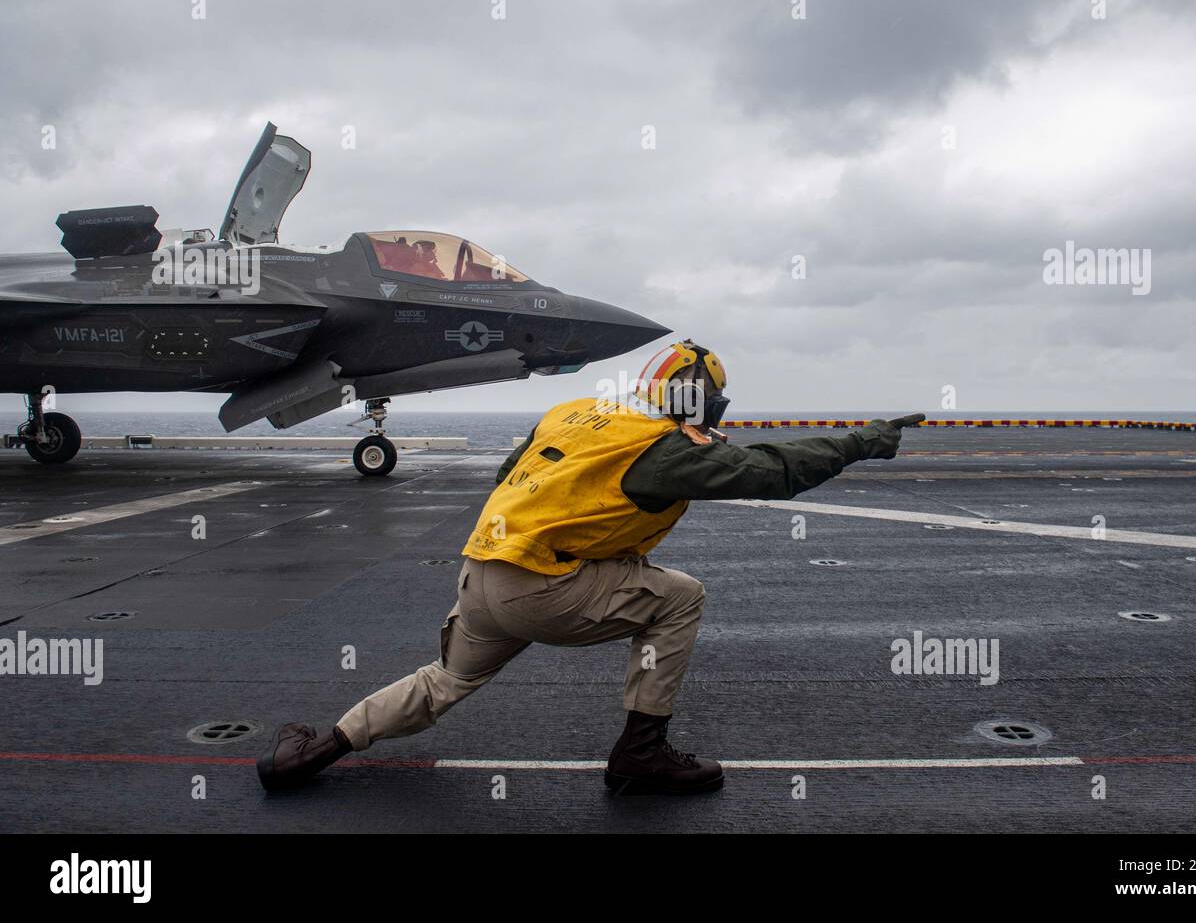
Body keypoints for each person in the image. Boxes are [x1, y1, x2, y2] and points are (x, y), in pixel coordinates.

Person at [258, 340, 919, 795]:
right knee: (680, 597)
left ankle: (314, 752)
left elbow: (508, 475)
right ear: (705, 402)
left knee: (444, 681)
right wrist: (862, 441)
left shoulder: (576, 414)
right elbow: (773, 471)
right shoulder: (664, 451)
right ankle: (639, 756)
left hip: (483, 571)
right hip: (546, 591)